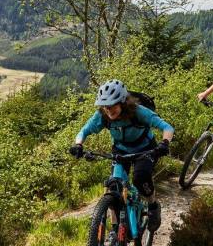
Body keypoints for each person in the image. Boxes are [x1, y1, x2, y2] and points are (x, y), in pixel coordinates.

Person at [69, 79, 174, 232]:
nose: (109, 110)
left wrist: (164, 143)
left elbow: (167, 127)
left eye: (112, 106)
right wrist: (78, 144)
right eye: (105, 106)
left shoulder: (138, 112)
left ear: (123, 102)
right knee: (113, 187)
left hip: (145, 149)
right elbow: (84, 131)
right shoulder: (102, 116)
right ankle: (115, 230)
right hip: (121, 151)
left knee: (140, 178)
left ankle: (153, 206)